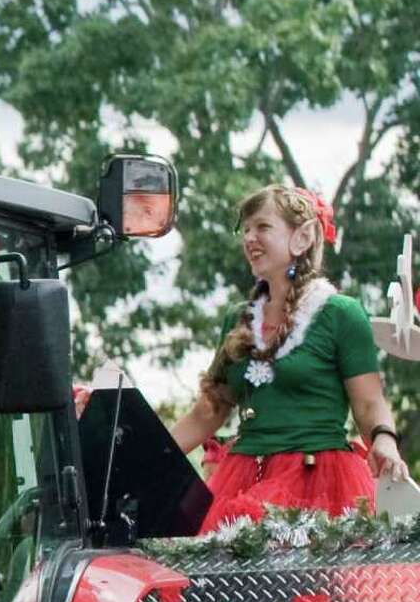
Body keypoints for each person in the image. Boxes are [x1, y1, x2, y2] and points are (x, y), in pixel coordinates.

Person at [169, 185, 410, 529]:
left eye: (263, 227)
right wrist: (149, 457)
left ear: (302, 238)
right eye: (246, 229)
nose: (250, 237)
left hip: (321, 480)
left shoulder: (340, 313)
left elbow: (370, 404)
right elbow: (210, 410)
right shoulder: (237, 319)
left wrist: (385, 441)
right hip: (243, 477)